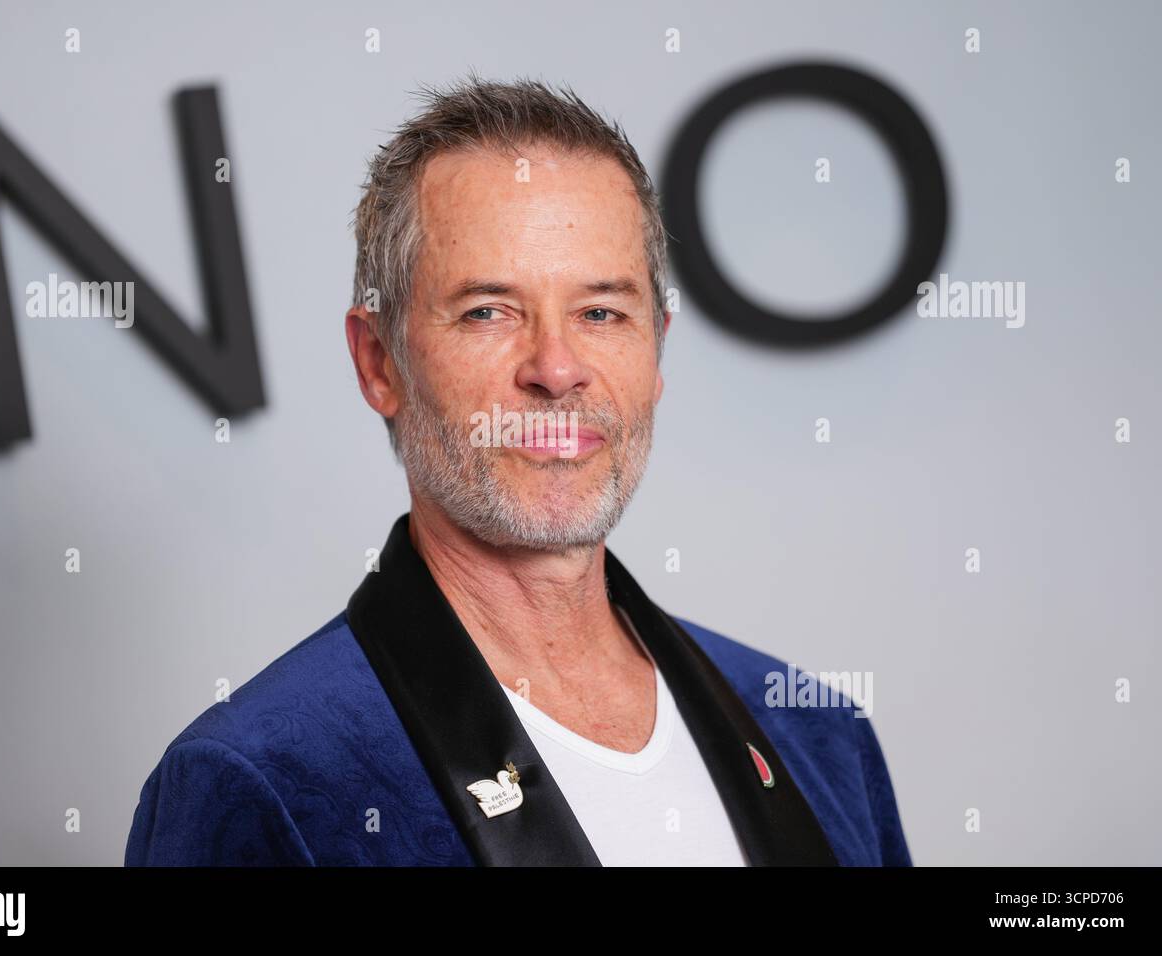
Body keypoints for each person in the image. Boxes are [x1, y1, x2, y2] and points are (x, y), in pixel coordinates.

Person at [124, 72, 911, 867]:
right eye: (488, 312)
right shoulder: (264, 781)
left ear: (657, 349)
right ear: (378, 362)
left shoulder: (820, 740)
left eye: (601, 312)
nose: (557, 368)